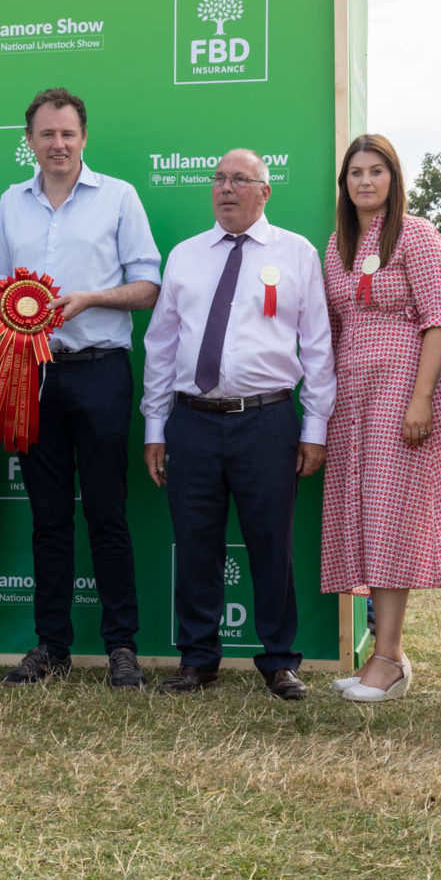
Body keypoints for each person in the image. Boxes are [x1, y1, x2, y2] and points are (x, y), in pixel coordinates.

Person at [0, 87, 162, 688]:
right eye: (46, 134)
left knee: (107, 513)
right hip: (28, 374)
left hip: (99, 369)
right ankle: (52, 647)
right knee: (47, 517)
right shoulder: (12, 203)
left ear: (84, 138)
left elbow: (148, 285)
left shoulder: (119, 198)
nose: (58, 144)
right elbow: (1, 294)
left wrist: (90, 298)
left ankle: (121, 646)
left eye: (68, 134)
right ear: (30, 143)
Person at [142, 149, 333, 698]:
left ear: (265, 192)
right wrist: (155, 426)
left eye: (240, 180)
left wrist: (314, 428)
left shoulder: (296, 253)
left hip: (268, 419)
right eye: (219, 178)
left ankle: (279, 660)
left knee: (271, 542)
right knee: (195, 541)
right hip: (192, 420)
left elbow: (318, 346)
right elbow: (161, 345)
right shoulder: (184, 255)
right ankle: (197, 658)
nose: (226, 189)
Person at [318, 134, 441, 703]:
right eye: (355, 172)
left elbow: (439, 320)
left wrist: (422, 398)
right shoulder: (338, 245)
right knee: (365, 517)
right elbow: (331, 324)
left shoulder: (418, 234)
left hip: (402, 391)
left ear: (393, 179)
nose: (365, 181)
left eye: (376, 171)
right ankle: (390, 655)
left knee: (392, 521)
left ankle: (386, 657)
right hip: (351, 395)